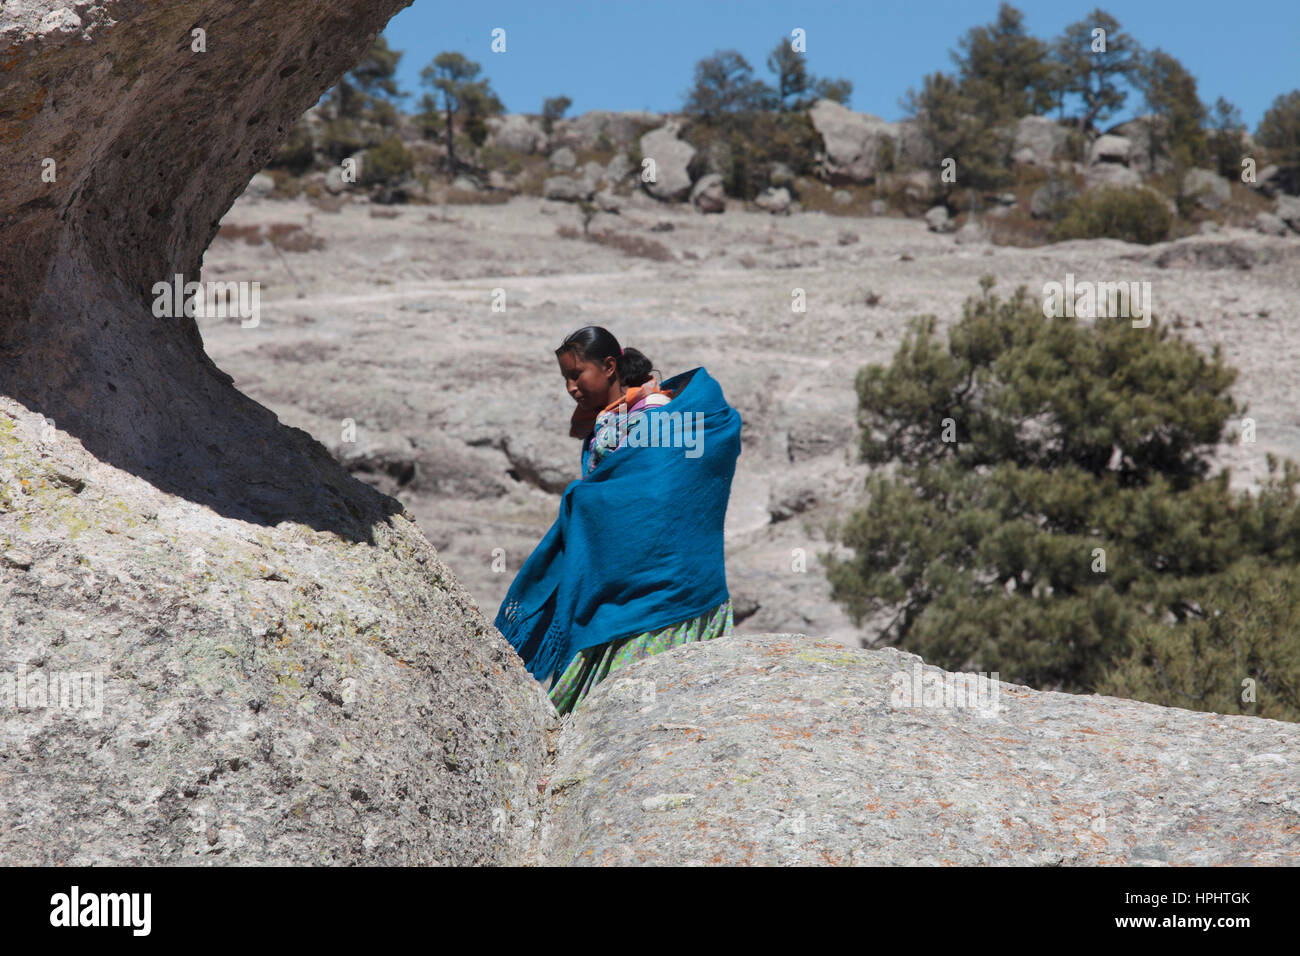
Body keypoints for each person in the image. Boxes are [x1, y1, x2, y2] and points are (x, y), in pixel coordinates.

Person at [494, 326, 741, 716]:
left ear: (609, 367)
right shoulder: (607, 421)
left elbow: (660, 491)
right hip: (620, 570)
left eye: (577, 375)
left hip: (663, 583)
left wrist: (588, 500)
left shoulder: (657, 415)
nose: (572, 387)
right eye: (565, 379)